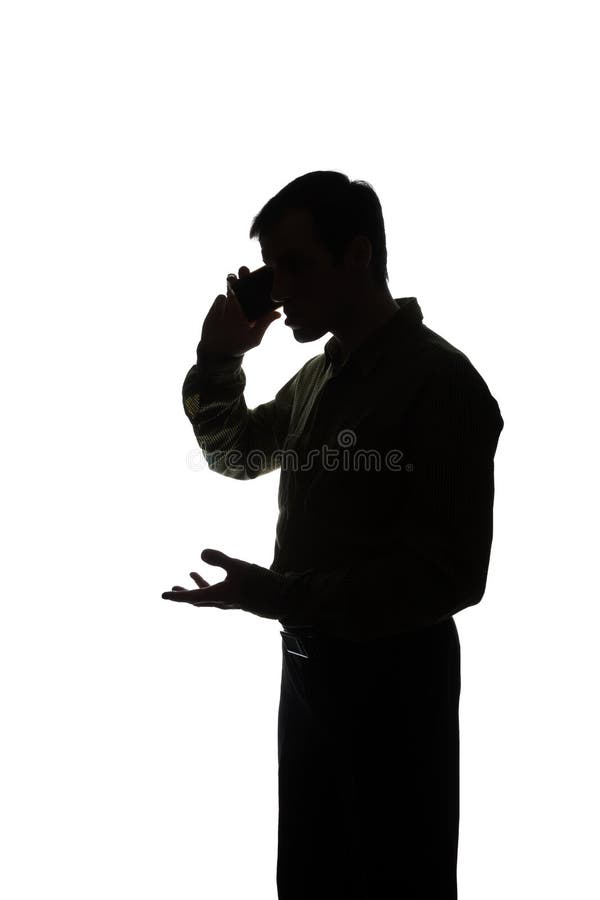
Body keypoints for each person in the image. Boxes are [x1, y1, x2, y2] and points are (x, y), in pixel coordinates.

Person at [162, 171, 504, 898]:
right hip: (311, 676)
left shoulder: (442, 383)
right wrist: (220, 358)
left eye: (295, 265)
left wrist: (278, 593)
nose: (278, 290)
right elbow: (238, 453)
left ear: (357, 256)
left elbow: (448, 575)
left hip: (394, 687)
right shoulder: (319, 377)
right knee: (311, 880)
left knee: (392, 879)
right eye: (270, 270)